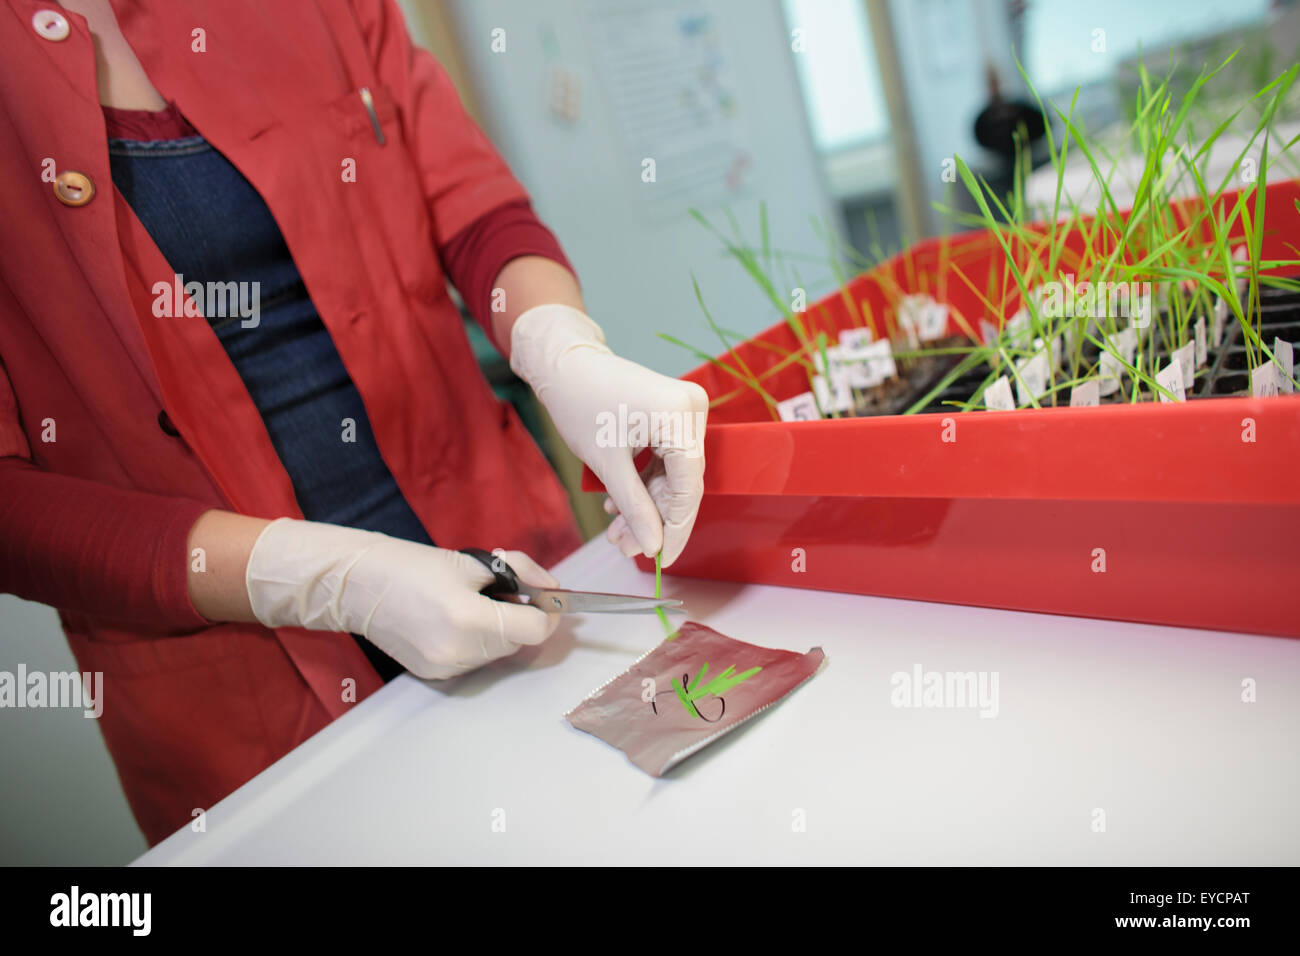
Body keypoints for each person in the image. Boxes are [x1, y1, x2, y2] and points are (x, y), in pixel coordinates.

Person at [0, 0, 707, 845]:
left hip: (506, 561)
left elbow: (478, 212)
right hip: (241, 694)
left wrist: (559, 347)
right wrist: (322, 576)